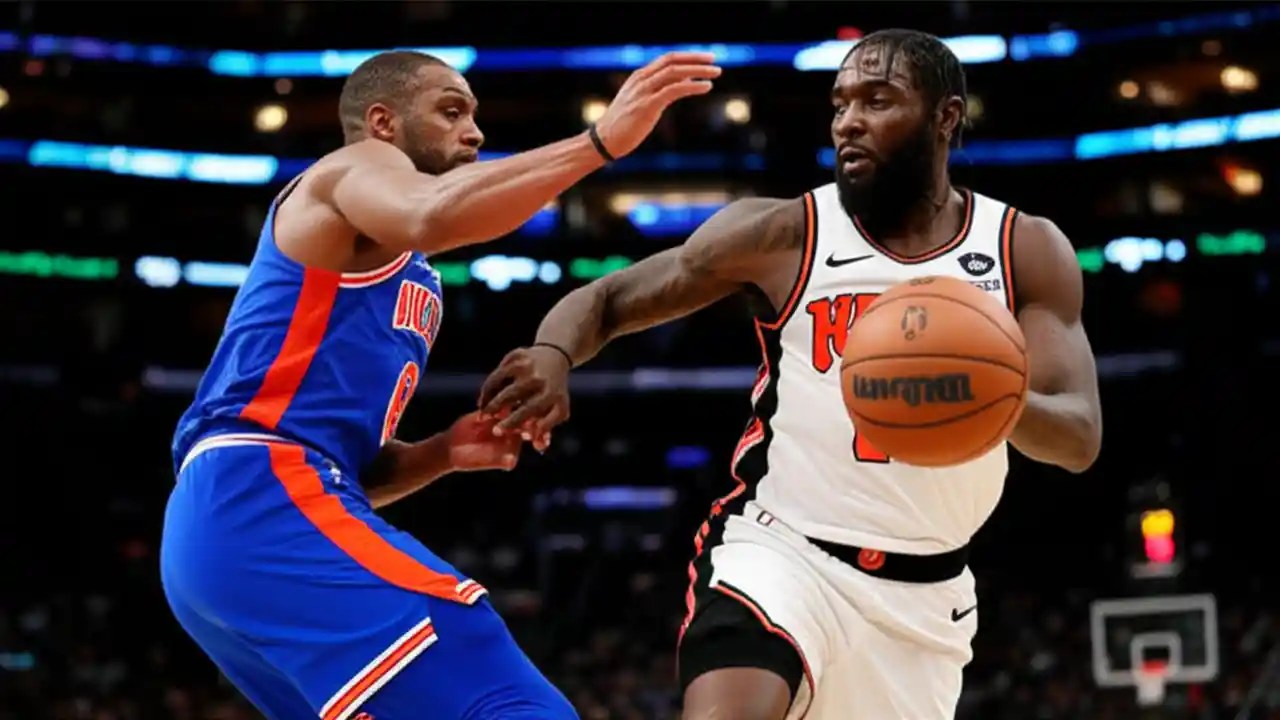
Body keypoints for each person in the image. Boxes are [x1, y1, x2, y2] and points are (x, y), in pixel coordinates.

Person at [477, 29, 1103, 720]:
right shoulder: (788, 234)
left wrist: (994, 395)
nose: (849, 120)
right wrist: (551, 353)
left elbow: (1078, 438)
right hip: (780, 551)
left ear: (946, 117)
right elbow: (609, 298)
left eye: (878, 99)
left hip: (925, 599)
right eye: (839, 104)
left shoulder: (1023, 248)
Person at [160, 49, 720, 720]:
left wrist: (443, 453)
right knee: (493, 679)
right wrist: (600, 142)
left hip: (239, 526)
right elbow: (432, 213)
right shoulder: (353, 168)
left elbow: (349, 473)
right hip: (254, 495)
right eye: (451, 112)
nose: (475, 134)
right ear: (383, 122)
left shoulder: (414, 275)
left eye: (475, 116)